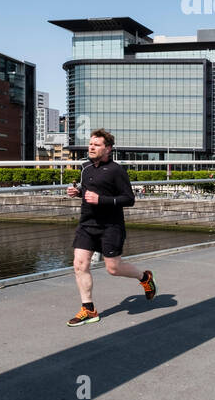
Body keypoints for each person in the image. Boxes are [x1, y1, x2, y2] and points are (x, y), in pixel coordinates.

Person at [65, 128, 157, 326]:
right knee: (79, 264)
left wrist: (102, 200)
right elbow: (88, 191)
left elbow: (129, 199)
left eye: (96, 145)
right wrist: (77, 192)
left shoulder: (117, 171)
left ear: (108, 149)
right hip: (87, 223)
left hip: (110, 226)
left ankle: (145, 277)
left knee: (113, 268)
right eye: (90, 144)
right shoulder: (85, 167)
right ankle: (88, 309)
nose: (91, 147)